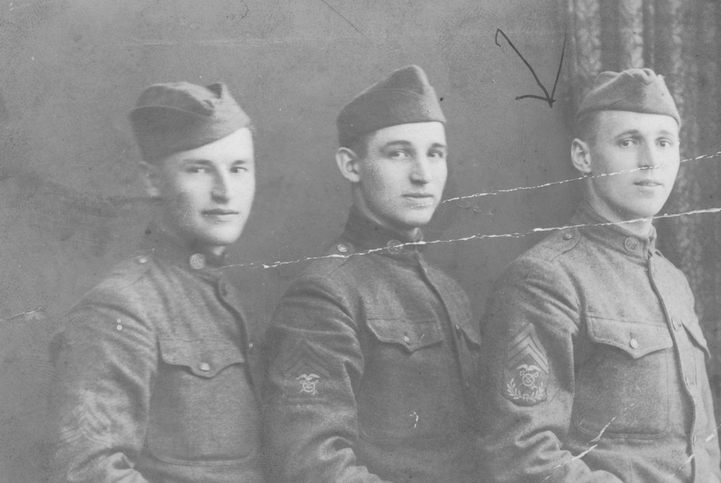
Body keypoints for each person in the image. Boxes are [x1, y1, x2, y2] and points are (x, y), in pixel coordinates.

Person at [478, 68, 721, 482]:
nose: (650, 160)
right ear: (582, 156)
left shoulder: (673, 281)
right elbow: (522, 454)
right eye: (628, 142)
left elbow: (701, 449)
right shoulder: (546, 278)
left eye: (664, 142)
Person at [262, 65, 481, 483]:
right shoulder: (325, 295)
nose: (422, 174)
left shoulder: (449, 291)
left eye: (435, 153)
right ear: (350, 165)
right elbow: (313, 462)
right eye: (399, 153)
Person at [48, 82, 266, 482]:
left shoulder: (226, 294)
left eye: (238, 168)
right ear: (152, 181)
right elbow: (87, 471)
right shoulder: (121, 307)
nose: (225, 191)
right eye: (199, 169)